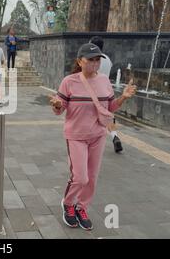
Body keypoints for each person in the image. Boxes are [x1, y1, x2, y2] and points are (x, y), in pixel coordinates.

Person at [49, 43, 136, 231]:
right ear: (80, 61)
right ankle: (68, 203)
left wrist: (124, 97)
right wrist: (57, 104)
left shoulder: (104, 80)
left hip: (97, 135)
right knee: (80, 177)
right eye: (91, 60)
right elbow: (59, 108)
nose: (95, 64)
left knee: (92, 178)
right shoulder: (69, 81)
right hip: (76, 136)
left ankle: (81, 207)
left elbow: (110, 107)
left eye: (98, 60)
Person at [89, 36, 123, 154]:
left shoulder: (92, 59)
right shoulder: (107, 59)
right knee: (108, 115)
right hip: (106, 91)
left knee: (90, 117)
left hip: (93, 91)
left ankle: (90, 142)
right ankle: (115, 136)